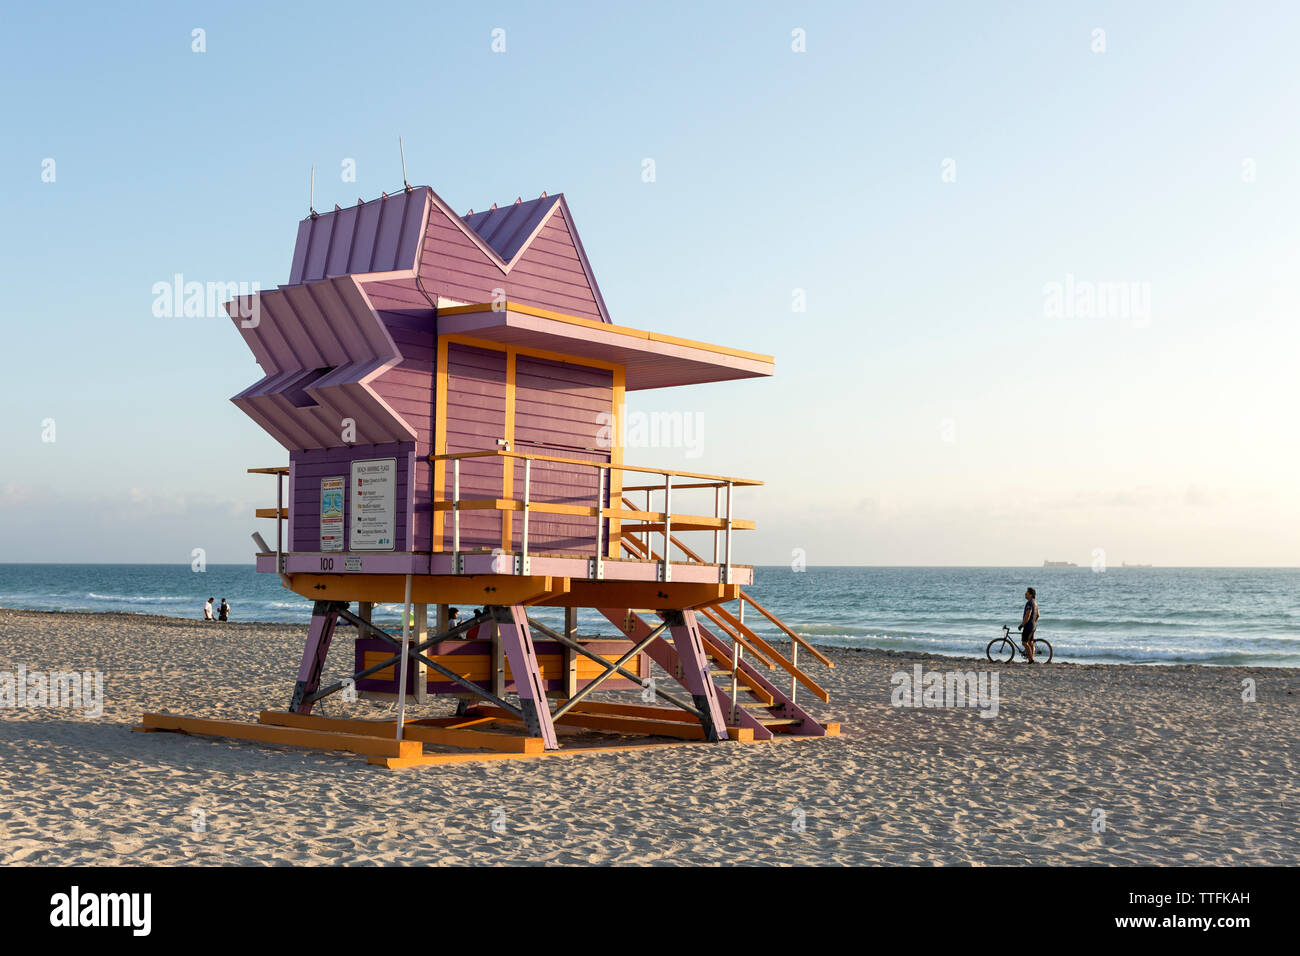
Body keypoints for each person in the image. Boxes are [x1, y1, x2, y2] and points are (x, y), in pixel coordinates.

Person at [1018, 587, 1040, 662]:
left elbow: (1028, 615)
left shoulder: (1029, 603)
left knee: (1024, 643)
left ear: (1030, 595)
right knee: (1030, 642)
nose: (1025, 594)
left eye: (1026, 593)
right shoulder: (1035, 603)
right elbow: (1038, 615)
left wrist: (1022, 624)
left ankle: (1030, 660)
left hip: (1028, 626)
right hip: (1033, 626)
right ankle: (1031, 658)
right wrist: (1033, 622)